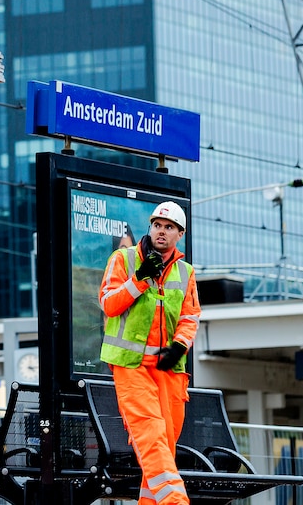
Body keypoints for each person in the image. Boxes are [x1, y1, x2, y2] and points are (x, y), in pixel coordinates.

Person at [98, 200, 201, 505]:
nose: (161, 231)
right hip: (131, 367)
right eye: (157, 225)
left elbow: (189, 316)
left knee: (164, 446)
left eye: (169, 227)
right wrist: (140, 279)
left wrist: (180, 346)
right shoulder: (124, 259)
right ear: (150, 228)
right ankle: (175, 502)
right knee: (152, 437)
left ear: (179, 234)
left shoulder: (186, 272)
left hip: (170, 370)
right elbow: (109, 304)